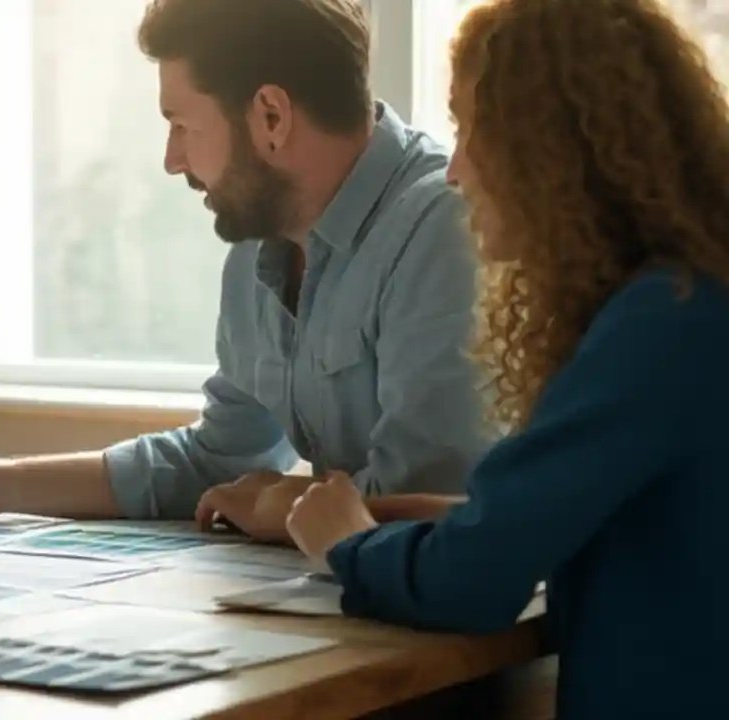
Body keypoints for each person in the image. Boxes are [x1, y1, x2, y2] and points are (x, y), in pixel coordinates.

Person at [0, 0, 491, 540]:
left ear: (271, 117)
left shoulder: (444, 226)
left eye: (181, 124)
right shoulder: (259, 247)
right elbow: (218, 460)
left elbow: (430, 499)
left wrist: (280, 504)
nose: (171, 158)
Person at [286, 0, 729, 717]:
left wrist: (345, 544)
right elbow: (631, 521)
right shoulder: (692, 298)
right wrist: (466, 517)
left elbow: (468, 583)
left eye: (468, 129)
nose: (454, 171)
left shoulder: (660, 323)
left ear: (550, 148)